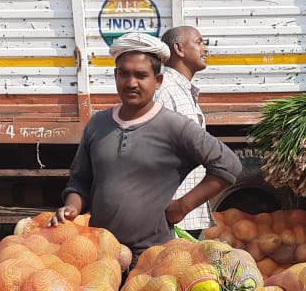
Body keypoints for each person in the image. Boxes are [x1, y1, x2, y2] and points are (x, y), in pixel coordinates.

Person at [50, 32, 241, 265]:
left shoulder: (173, 126)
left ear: (157, 81)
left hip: (152, 258)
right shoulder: (97, 124)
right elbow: (80, 181)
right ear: (115, 76)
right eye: (124, 74)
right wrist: (71, 206)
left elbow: (228, 164)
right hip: (101, 254)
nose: (131, 83)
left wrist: (182, 207)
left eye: (141, 75)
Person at [157, 25, 213, 235]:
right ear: (179, 49)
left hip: (186, 214)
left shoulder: (183, 92)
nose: (205, 49)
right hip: (174, 215)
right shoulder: (165, 91)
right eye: (199, 42)